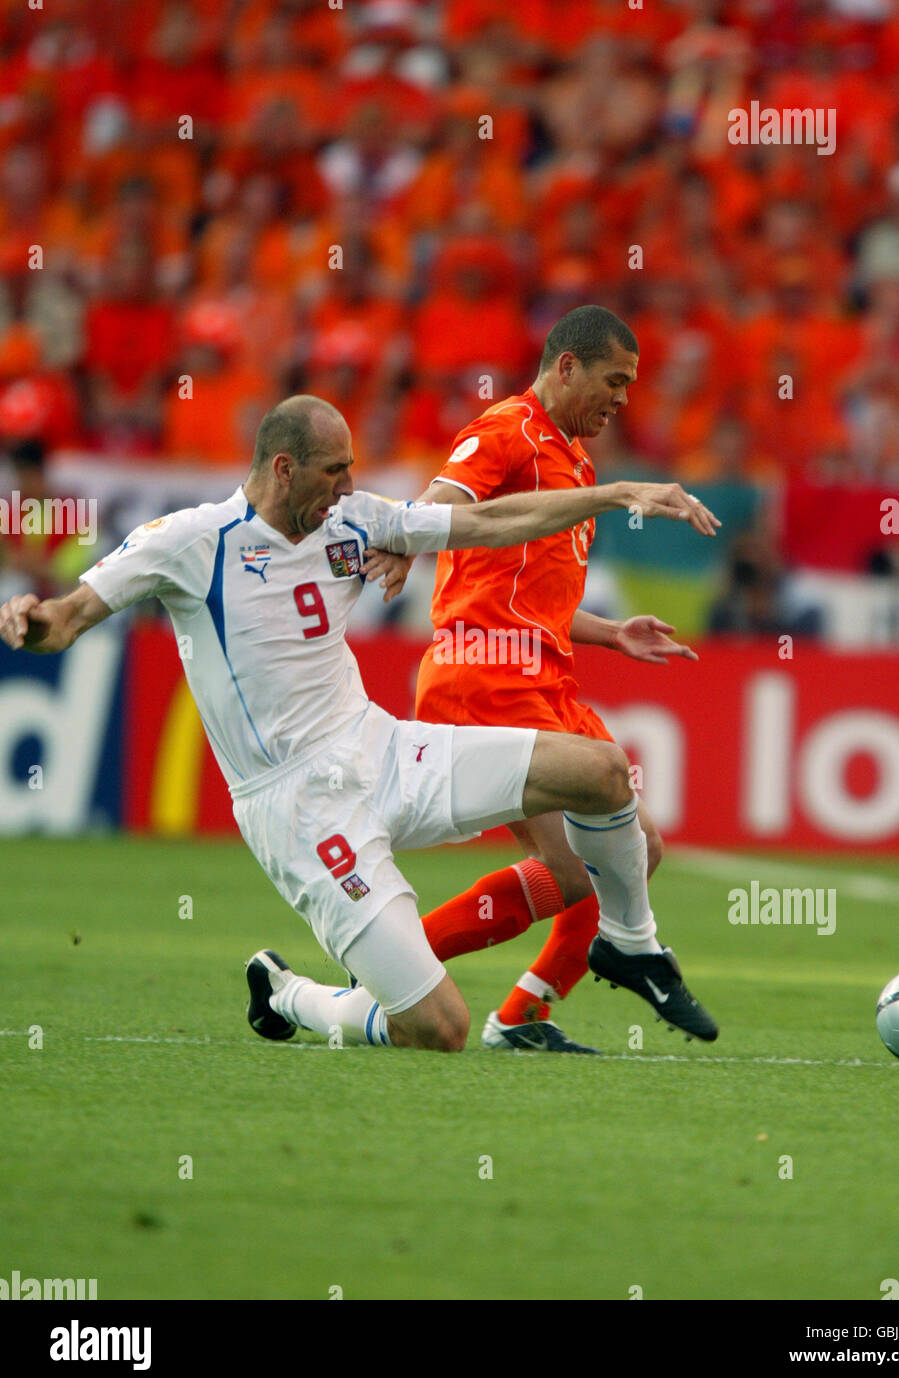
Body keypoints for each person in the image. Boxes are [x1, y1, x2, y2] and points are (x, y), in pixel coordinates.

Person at [0, 394, 720, 1052]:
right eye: (334, 471)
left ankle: (630, 943)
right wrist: (32, 621)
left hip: (384, 751)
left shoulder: (353, 521)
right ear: (284, 469)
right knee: (439, 1028)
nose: (347, 485)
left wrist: (617, 493)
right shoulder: (192, 540)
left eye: (351, 469)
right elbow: (67, 619)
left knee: (600, 773)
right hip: (300, 809)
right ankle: (292, 993)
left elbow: (490, 521)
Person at [370, 306, 716, 1052]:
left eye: (630, 385)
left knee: (636, 851)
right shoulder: (506, 431)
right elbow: (443, 502)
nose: (622, 398)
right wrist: (402, 541)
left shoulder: (574, 460)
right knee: (575, 866)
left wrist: (612, 633)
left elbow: (535, 596)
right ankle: (377, 983)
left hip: (541, 674)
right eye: (613, 380)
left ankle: (521, 1015)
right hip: (482, 674)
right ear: (566, 367)